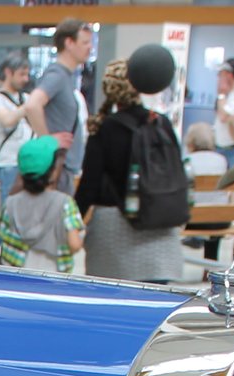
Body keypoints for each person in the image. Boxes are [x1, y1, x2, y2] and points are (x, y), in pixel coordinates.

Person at [73, 59, 186, 285]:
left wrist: (72, 220)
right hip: (161, 231)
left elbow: (90, 187)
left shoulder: (104, 129)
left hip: (114, 235)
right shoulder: (161, 124)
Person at [22, 17, 93, 191]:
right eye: (84, 42)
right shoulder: (57, 75)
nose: (90, 47)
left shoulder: (65, 77)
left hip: (63, 167)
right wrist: (48, 140)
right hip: (57, 167)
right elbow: (32, 105)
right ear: (69, 43)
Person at [0, 136, 84, 274]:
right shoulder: (65, 203)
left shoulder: (11, 203)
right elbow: (74, 244)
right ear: (53, 171)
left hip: (18, 276)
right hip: (53, 278)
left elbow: (2, 232)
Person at [0, 56, 32, 196]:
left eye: (27, 74)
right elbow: (7, 120)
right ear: (8, 72)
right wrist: (30, 107)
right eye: (21, 74)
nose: (26, 79)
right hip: (10, 164)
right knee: (12, 212)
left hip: (32, 164)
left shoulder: (27, 98)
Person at [213, 58, 234, 167]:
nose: (219, 78)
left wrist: (221, 94)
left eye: (222, 74)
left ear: (229, 75)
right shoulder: (225, 97)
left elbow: (223, 116)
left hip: (233, 150)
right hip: (218, 146)